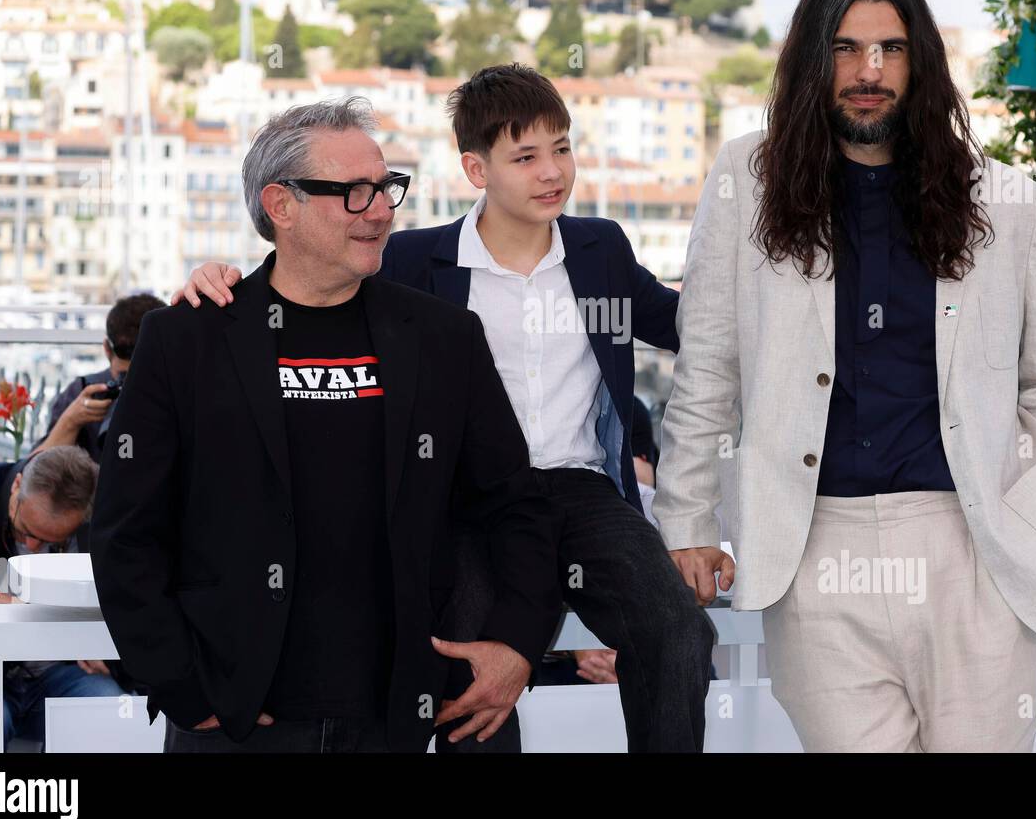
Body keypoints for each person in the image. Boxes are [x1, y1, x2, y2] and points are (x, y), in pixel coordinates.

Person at [176, 64, 714, 753]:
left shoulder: (600, 249)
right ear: (475, 168)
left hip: (581, 492)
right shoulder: (411, 259)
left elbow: (690, 326)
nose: (553, 171)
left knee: (678, 631)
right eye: (525, 156)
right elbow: (307, 289)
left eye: (562, 148)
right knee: (469, 660)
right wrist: (216, 277)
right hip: (462, 494)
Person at [656, 0, 1036, 752]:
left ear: (920, 60)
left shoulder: (1013, 204)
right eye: (846, 49)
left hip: (973, 548)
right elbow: (708, 365)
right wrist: (685, 516)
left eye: (890, 49)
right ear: (810, 62)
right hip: (816, 547)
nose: (869, 72)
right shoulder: (744, 184)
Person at [92, 96, 561, 754]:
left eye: (385, 187)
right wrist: (181, 686)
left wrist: (517, 645)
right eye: (354, 193)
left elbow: (516, 504)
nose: (379, 209)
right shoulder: (186, 340)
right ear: (281, 206)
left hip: (399, 715)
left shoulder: (442, 338)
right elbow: (124, 533)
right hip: (235, 718)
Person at [0, 445, 121, 750]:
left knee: (108, 708)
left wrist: (107, 653)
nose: (31, 546)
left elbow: (133, 601)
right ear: (17, 485)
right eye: (25, 530)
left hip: (60, 672)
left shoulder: (100, 529)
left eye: (50, 541)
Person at [36, 293, 165, 463]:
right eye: (125, 378)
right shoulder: (84, 393)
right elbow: (34, 476)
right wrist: (70, 422)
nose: (133, 386)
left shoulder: (181, 396)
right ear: (107, 349)